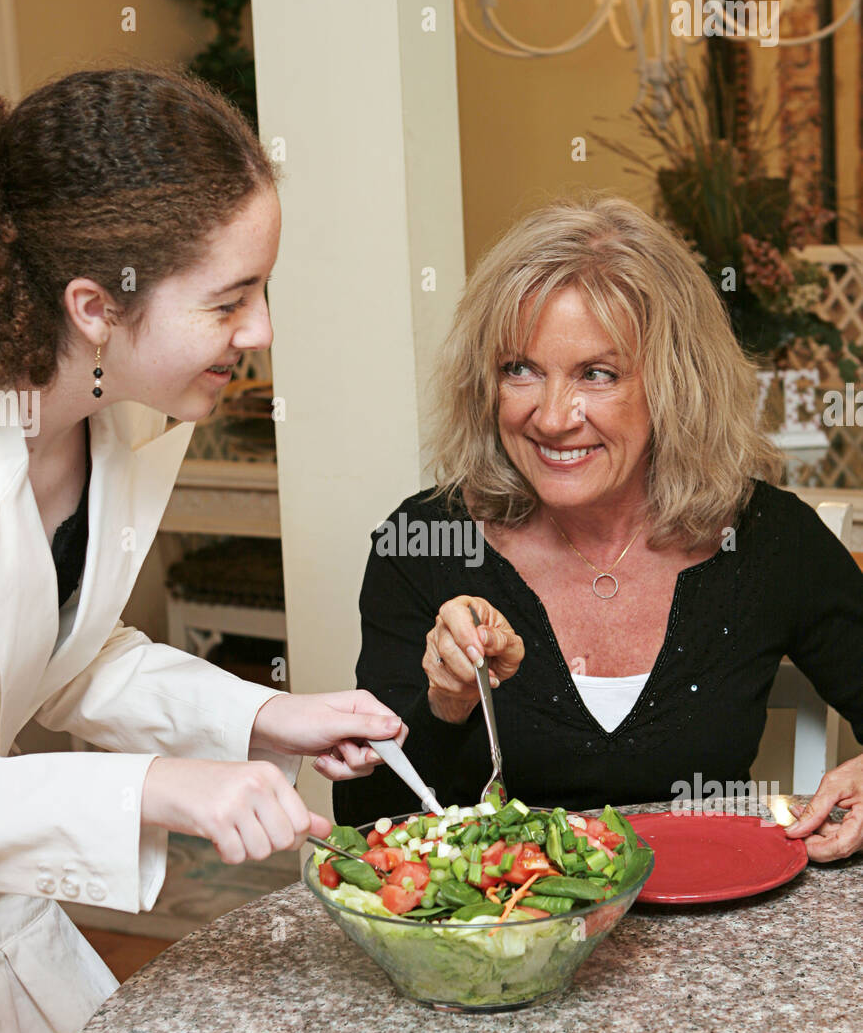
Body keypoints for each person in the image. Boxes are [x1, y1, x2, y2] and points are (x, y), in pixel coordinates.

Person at [0, 67, 405, 1033]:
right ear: (95, 307)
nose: (260, 331)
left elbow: (65, 658)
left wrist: (266, 714)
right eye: (229, 301)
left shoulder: (117, 425)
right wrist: (161, 787)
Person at [333, 195, 863, 864]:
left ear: (676, 385)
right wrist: (445, 701)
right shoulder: (424, 543)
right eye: (519, 369)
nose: (554, 417)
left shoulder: (767, 539)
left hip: (715, 931)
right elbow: (363, 827)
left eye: (598, 374)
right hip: (504, 944)